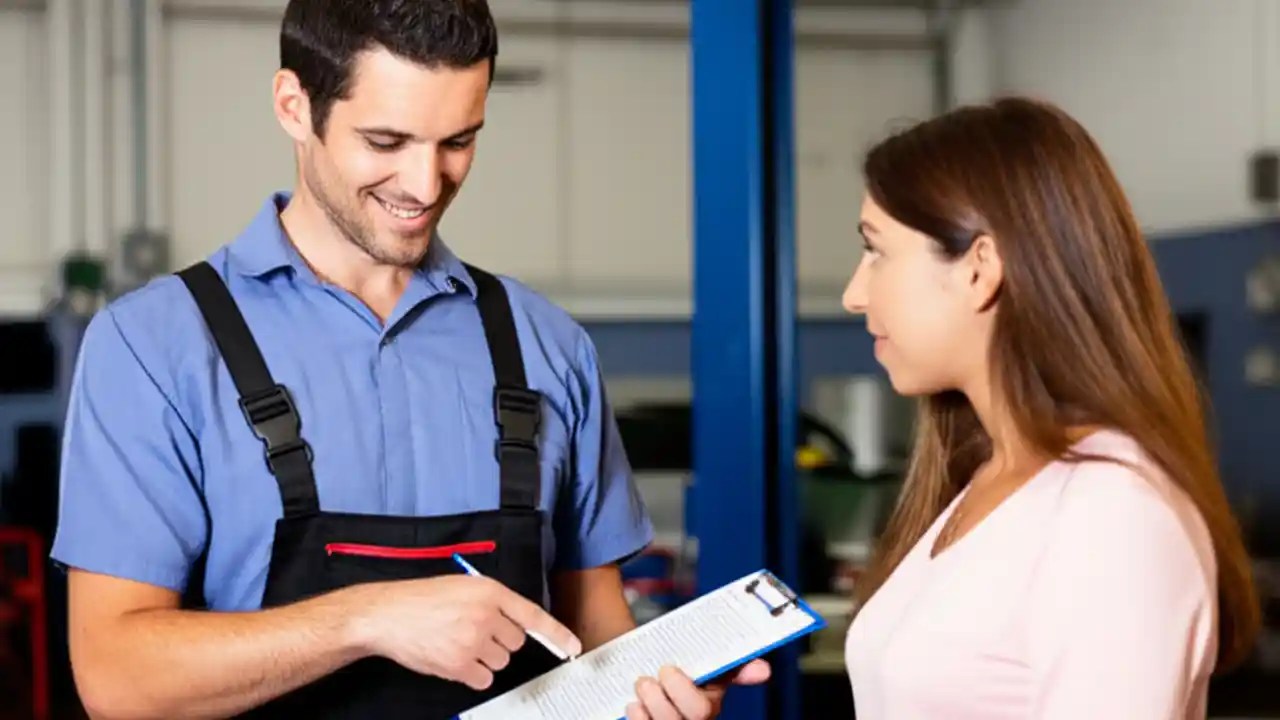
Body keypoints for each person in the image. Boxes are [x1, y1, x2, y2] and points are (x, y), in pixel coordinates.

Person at [50, 1, 767, 718]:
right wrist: (369, 620)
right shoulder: (154, 347)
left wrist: (652, 698)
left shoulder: (547, 347)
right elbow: (118, 679)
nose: (425, 186)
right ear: (294, 106)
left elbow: (596, 641)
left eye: (458, 140)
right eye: (386, 141)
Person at [840, 97, 1261, 719]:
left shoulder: (1111, 516)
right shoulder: (988, 481)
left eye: (877, 251)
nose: (854, 293)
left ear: (980, 268)